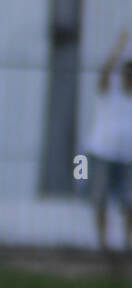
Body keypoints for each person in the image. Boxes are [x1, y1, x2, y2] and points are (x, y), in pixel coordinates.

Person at [88, 29, 132, 252]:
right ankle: (103, 244)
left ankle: (127, 243)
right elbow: (104, 71)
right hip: (102, 153)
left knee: (129, 201)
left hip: (127, 158)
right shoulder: (110, 92)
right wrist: (119, 46)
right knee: (100, 199)